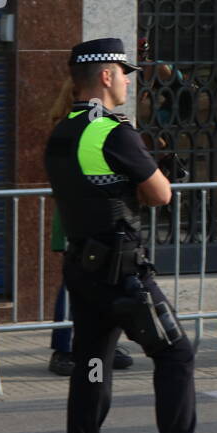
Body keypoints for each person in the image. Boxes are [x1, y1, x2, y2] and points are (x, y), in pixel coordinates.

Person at [44, 37, 217, 433]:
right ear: (106, 76)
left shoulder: (61, 130)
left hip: (81, 270)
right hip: (122, 272)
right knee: (176, 356)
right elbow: (161, 194)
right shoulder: (112, 131)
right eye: (124, 71)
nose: (129, 79)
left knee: (91, 369)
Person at [47, 78, 133, 377]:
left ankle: (102, 344)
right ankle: (63, 348)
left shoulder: (97, 124)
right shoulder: (72, 125)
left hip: (92, 215)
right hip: (77, 215)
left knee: (104, 278)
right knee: (74, 282)